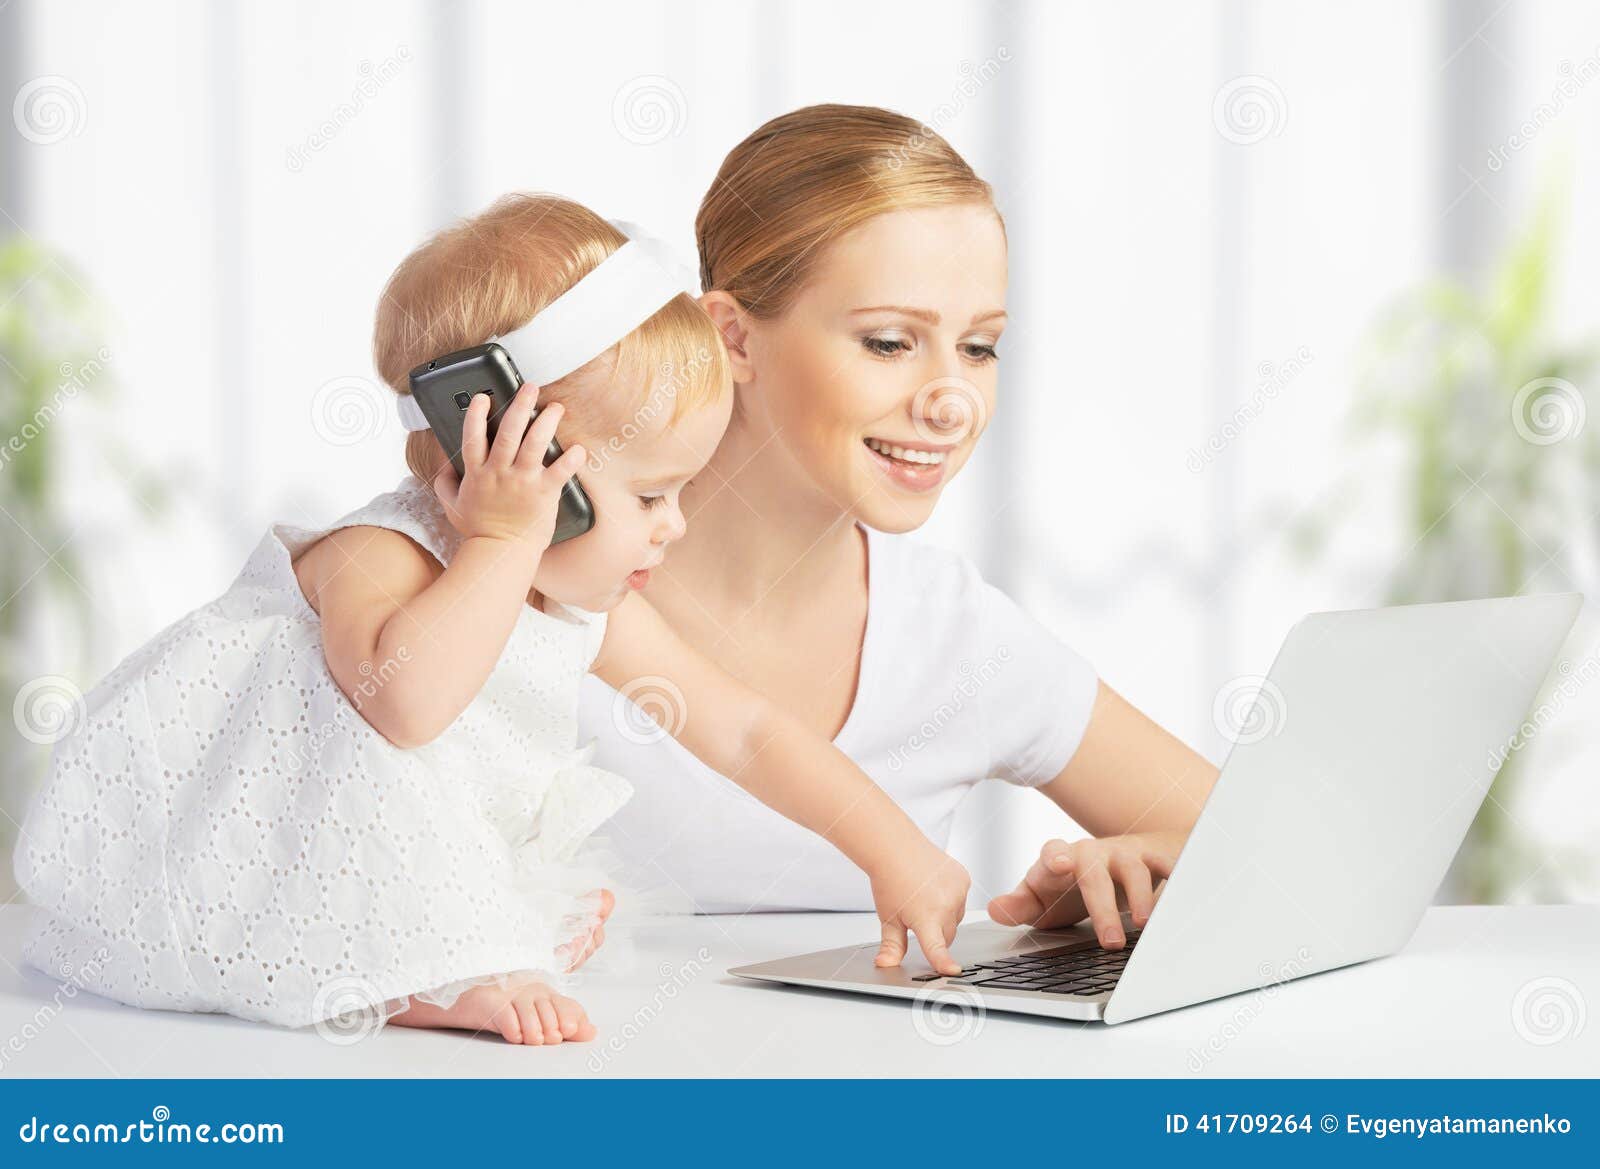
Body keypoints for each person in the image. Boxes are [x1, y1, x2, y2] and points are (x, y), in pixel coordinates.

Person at [13, 192, 969, 1046]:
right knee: (387, 732)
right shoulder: (375, 554)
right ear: (507, 449)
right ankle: (419, 976)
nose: (675, 526)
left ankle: (460, 940)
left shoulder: (574, 599)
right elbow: (407, 711)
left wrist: (894, 846)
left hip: (379, 849)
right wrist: (506, 538)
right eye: (651, 495)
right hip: (231, 856)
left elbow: (745, 730)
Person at [579, 105, 1220, 958]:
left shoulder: (956, 635)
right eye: (889, 342)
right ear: (733, 336)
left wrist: (1142, 873)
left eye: (979, 347)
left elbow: (1270, 853)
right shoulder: (531, 582)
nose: (952, 402)